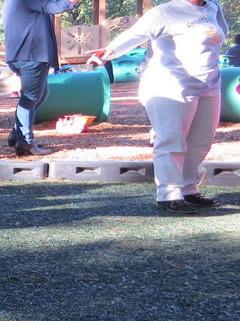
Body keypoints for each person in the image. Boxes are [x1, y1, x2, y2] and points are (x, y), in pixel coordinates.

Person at [88, 0, 229, 214]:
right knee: (171, 140)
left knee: (201, 142)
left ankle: (189, 189)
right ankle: (169, 194)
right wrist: (108, 53)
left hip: (209, 85)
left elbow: (219, 36)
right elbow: (135, 34)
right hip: (170, 86)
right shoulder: (165, 12)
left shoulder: (213, 7)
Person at [1, 0, 82, 156]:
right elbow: (52, 7)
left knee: (39, 95)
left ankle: (17, 134)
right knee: (30, 98)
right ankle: (25, 142)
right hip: (31, 54)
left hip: (20, 55)